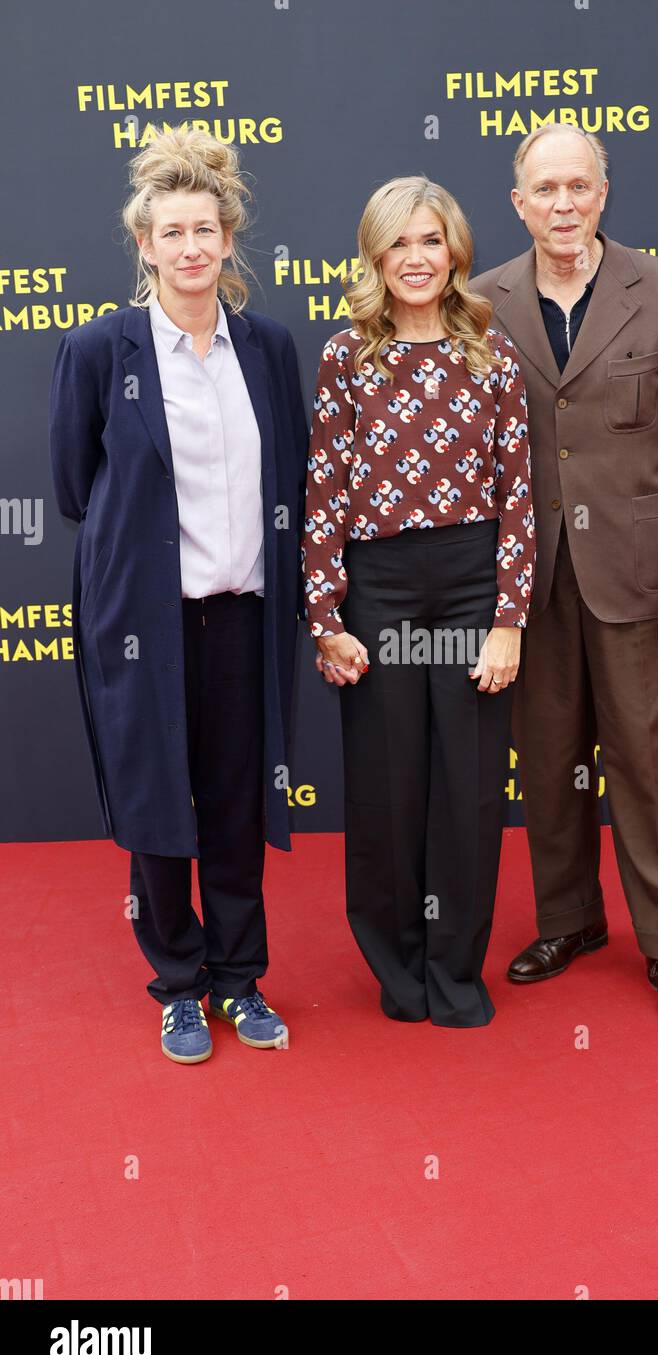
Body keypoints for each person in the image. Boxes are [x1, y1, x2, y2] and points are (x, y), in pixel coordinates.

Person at [49, 127, 308, 1062]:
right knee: (160, 802)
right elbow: (76, 488)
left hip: (243, 615)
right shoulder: (97, 348)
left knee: (237, 800)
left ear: (228, 240)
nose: (191, 247)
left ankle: (242, 979)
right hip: (142, 625)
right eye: (172, 232)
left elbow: (296, 476)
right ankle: (179, 984)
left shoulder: (270, 348)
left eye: (207, 228)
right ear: (145, 244)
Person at [470, 124, 658, 1030]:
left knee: (649, 770)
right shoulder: (481, 300)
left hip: (640, 577)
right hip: (527, 584)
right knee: (547, 765)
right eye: (546, 190)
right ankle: (569, 921)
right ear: (519, 203)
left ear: (603, 194)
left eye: (579, 186)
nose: (564, 204)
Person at [303, 176, 535, 1028]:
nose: (415, 258)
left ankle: (455, 970)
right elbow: (323, 491)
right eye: (398, 242)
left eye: (430, 240)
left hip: (474, 583)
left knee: (470, 786)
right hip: (381, 590)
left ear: (455, 252)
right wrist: (326, 617)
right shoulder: (344, 358)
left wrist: (509, 621)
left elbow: (520, 496)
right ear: (375, 254)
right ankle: (398, 969)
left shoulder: (492, 351)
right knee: (386, 784)